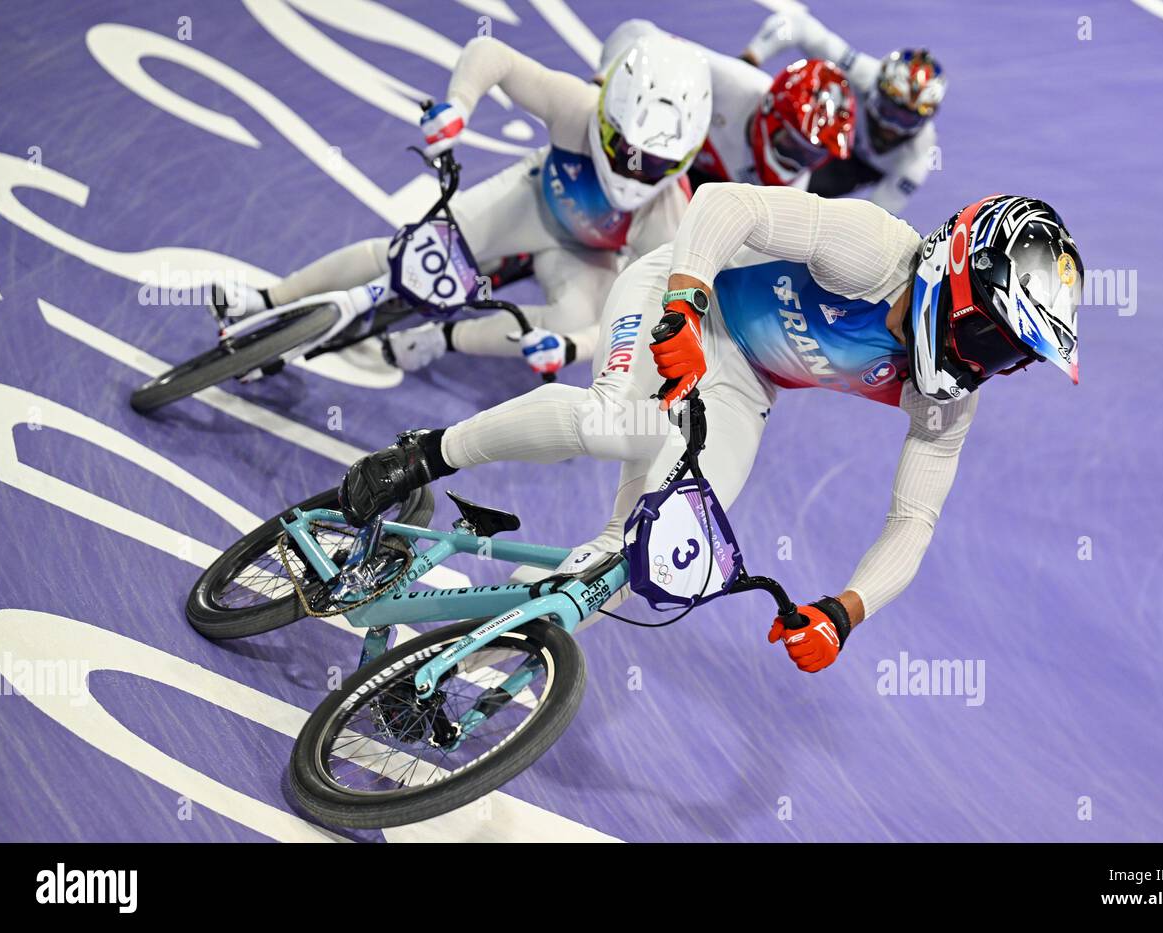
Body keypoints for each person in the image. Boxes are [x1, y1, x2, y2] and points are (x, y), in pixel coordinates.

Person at [336, 184, 1083, 673]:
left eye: (1012, 355)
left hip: (744, 380)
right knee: (617, 422)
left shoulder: (947, 398)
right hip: (682, 293)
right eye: (991, 334)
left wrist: (843, 612)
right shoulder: (872, 249)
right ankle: (421, 457)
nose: (987, 360)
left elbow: (915, 520)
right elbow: (730, 207)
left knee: (647, 553)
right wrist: (685, 302)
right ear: (955, 273)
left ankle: (444, 674)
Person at [210, 35, 712, 378]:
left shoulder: (670, 216)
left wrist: (572, 349)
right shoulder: (575, 104)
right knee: (399, 254)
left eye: (653, 165)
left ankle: (443, 339)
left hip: (585, 257)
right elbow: (493, 54)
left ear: (686, 159)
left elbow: (638, 318)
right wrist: (458, 106)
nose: (632, 171)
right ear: (606, 115)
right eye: (623, 150)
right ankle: (268, 297)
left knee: (569, 320)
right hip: (529, 203)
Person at [601, 20, 854, 192]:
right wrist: (598, 83)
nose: (797, 161)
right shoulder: (727, 80)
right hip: (656, 161)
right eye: (792, 144)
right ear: (770, 110)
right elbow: (636, 33)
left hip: (707, 193)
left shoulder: (791, 189)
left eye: (812, 156)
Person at [742, 9, 947, 213]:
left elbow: (878, 216)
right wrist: (752, 57)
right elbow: (799, 25)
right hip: (826, 129)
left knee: (786, 202)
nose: (891, 127)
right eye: (888, 111)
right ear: (876, 90)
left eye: (907, 120)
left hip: (854, 168)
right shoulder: (862, 72)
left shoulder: (919, 156)